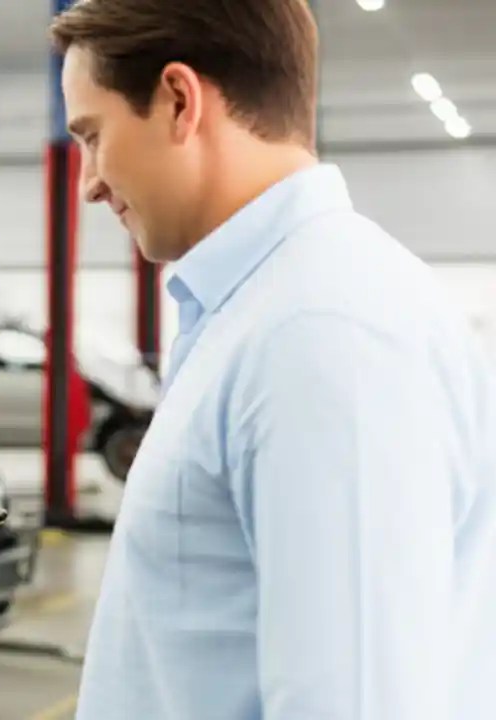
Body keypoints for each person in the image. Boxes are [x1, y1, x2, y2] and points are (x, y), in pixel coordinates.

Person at [50, 1, 496, 718]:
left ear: (177, 101)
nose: (89, 182)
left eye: (93, 136)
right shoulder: (265, 312)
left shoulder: (323, 334)